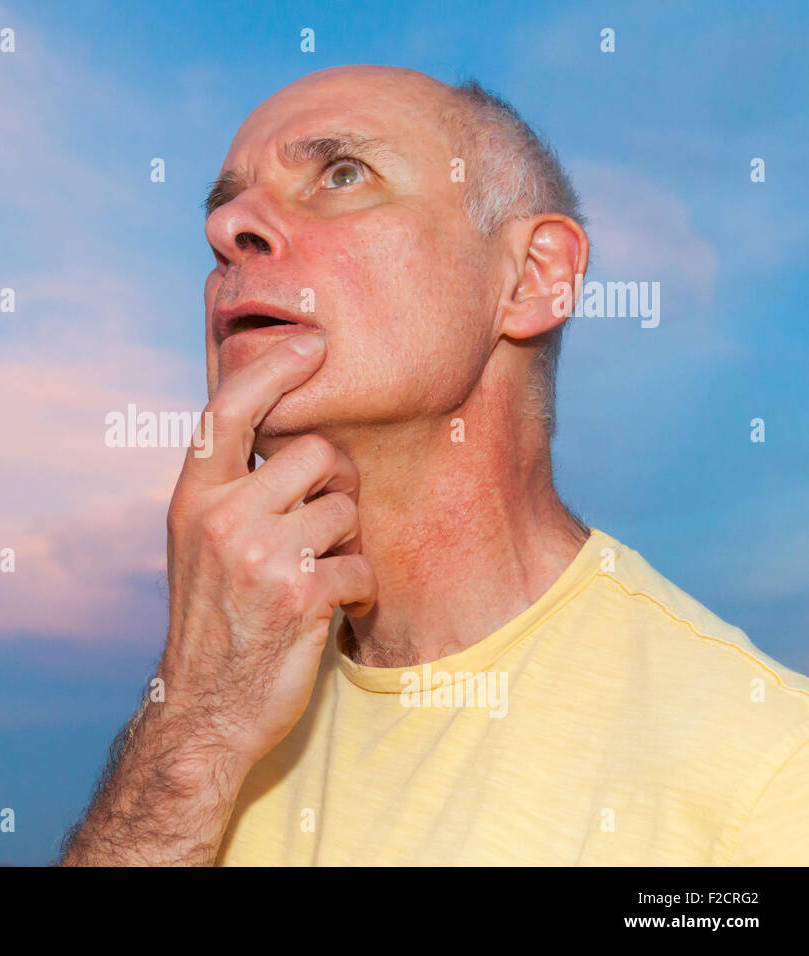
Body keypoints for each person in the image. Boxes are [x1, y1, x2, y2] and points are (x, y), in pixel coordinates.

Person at [60, 65, 809, 866]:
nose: (231, 227)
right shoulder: (209, 720)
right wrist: (195, 723)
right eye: (226, 205)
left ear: (531, 278)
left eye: (342, 174)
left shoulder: (767, 770)